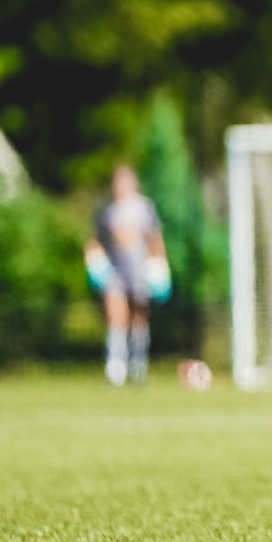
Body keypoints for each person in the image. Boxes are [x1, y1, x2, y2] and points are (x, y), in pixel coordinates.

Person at [86, 165, 168, 386]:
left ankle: (138, 366)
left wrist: (160, 266)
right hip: (116, 272)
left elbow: (154, 239)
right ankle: (115, 370)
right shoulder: (107, 211)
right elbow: (95, 241)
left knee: (139, 318)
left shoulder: (144, 208)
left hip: (139, 272)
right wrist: (94, 264)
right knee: (116, 318)